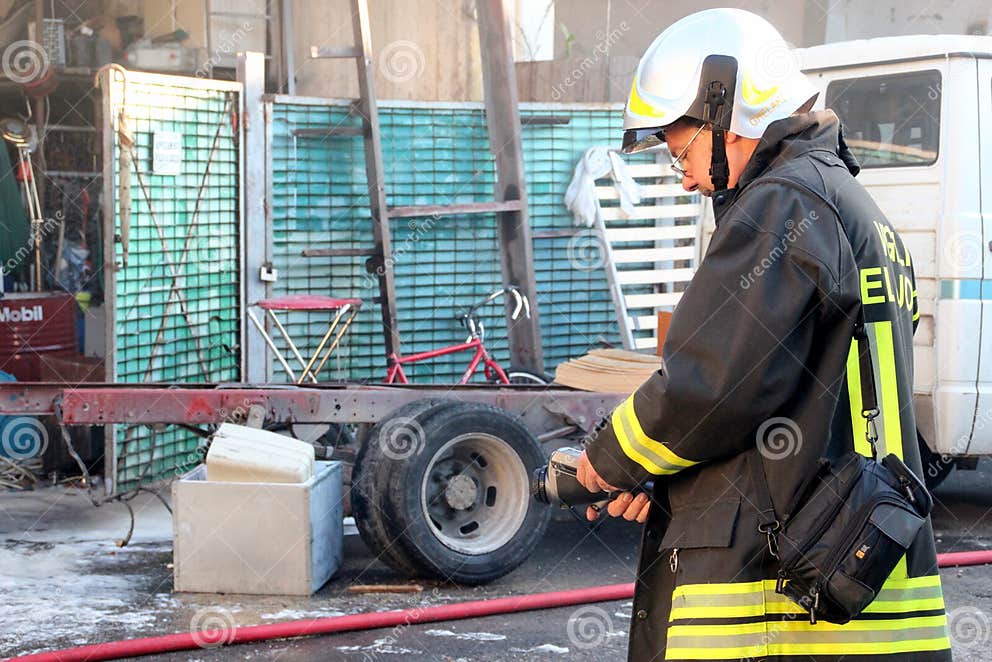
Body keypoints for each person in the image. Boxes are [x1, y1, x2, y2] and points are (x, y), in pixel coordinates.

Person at [576, 8, 952, 662]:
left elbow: (714, 384)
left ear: (731, 113)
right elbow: (796, 396)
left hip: (771, 608)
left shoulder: (785, 205)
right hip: (855, 571)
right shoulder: (857, 211)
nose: (686, 176)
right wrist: (662, 480)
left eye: (682, 151)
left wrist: (611, 459)